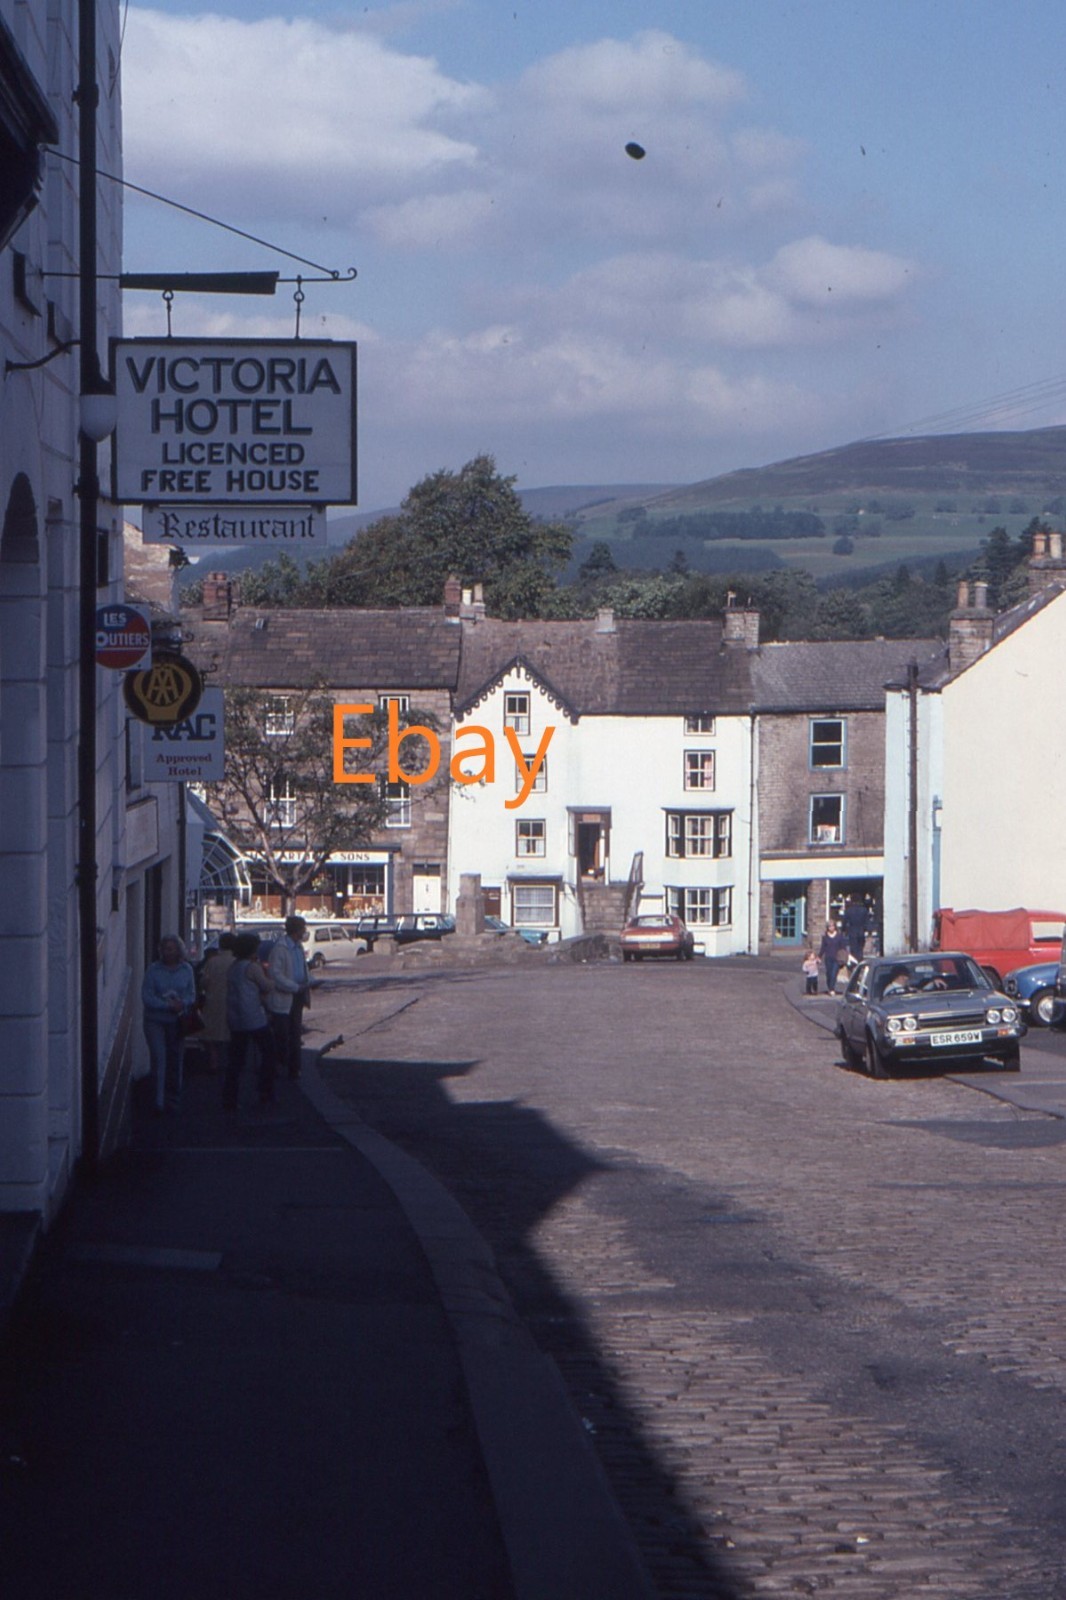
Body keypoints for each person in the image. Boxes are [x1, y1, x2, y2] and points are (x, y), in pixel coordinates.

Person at [142, 935, 198, 1112]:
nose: (168, 952)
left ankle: (174, 1097)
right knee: (159, 1058)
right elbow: (147, 996)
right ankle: (158, 1100)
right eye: (165, 948)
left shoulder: (186, 969)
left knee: (175, 1059)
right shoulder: (153, 970)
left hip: (177, 1021)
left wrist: (183, 1003)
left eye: (172, 948)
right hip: (155, 1020)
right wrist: (167, 1005)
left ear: (178, 950)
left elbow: (191, 994)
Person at [224, 931, 277, 1111]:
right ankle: (265, 1090)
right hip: (253, 1016)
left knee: (236, 1060)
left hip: (235, 1016)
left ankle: (230, 1098)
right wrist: (268, 974)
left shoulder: (233, 967)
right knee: (269, 1052)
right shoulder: (252, 967)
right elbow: (267, 985)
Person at [268, 915, 310, 1080]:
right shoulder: (280, 949)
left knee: (295, 1034)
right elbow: (275, 974)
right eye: (303, 928)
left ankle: (294, 1068)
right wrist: (293, 986)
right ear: (296, 930)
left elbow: (302, 969)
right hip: (285, 996)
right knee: (282, 1035)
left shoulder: (299, 947)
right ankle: (279, 1066)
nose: (305, 931)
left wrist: (310, 982)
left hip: (298, 994)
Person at [199, 932, 236, 1075]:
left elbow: (204, 982)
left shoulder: (212, 961)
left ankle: (213, 1062)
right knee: (229, 1034)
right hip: (232, 1001)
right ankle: (228, 1062)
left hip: (213, 1000)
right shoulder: (236, 961)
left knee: (212, 1035)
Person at [818, 920, 848, 995]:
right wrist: (819, 956)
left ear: (835, 927)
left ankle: (832, 989)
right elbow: (823, 948)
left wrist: (846, 956)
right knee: (828, 973)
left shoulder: (839, 936)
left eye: (832, 926)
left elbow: (843, 947)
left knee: (834, 973)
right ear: (827, 928)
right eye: (829, 926)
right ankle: (829, 987)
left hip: (837, 958)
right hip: (828, 958)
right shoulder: (825, 937)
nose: (831, 928)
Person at [841, 895, 871, 961]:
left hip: (852, 932)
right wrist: (868, 931)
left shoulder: (848, 910)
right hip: (861, 932)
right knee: (860, 949)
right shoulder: (864, 910)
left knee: (853, 950)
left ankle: (854, 965)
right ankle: (860, 962)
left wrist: (843, 931)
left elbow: (844, 922)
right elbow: (867, 922)